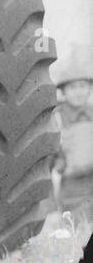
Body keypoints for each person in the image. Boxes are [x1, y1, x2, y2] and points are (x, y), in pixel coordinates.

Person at [54, 49, 93, 219]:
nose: (78, 92)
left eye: (82, 86)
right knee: (76, 219)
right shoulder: (57, 118)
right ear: (63, 91)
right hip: (72, 186)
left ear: (90, 88)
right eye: (73, 87)